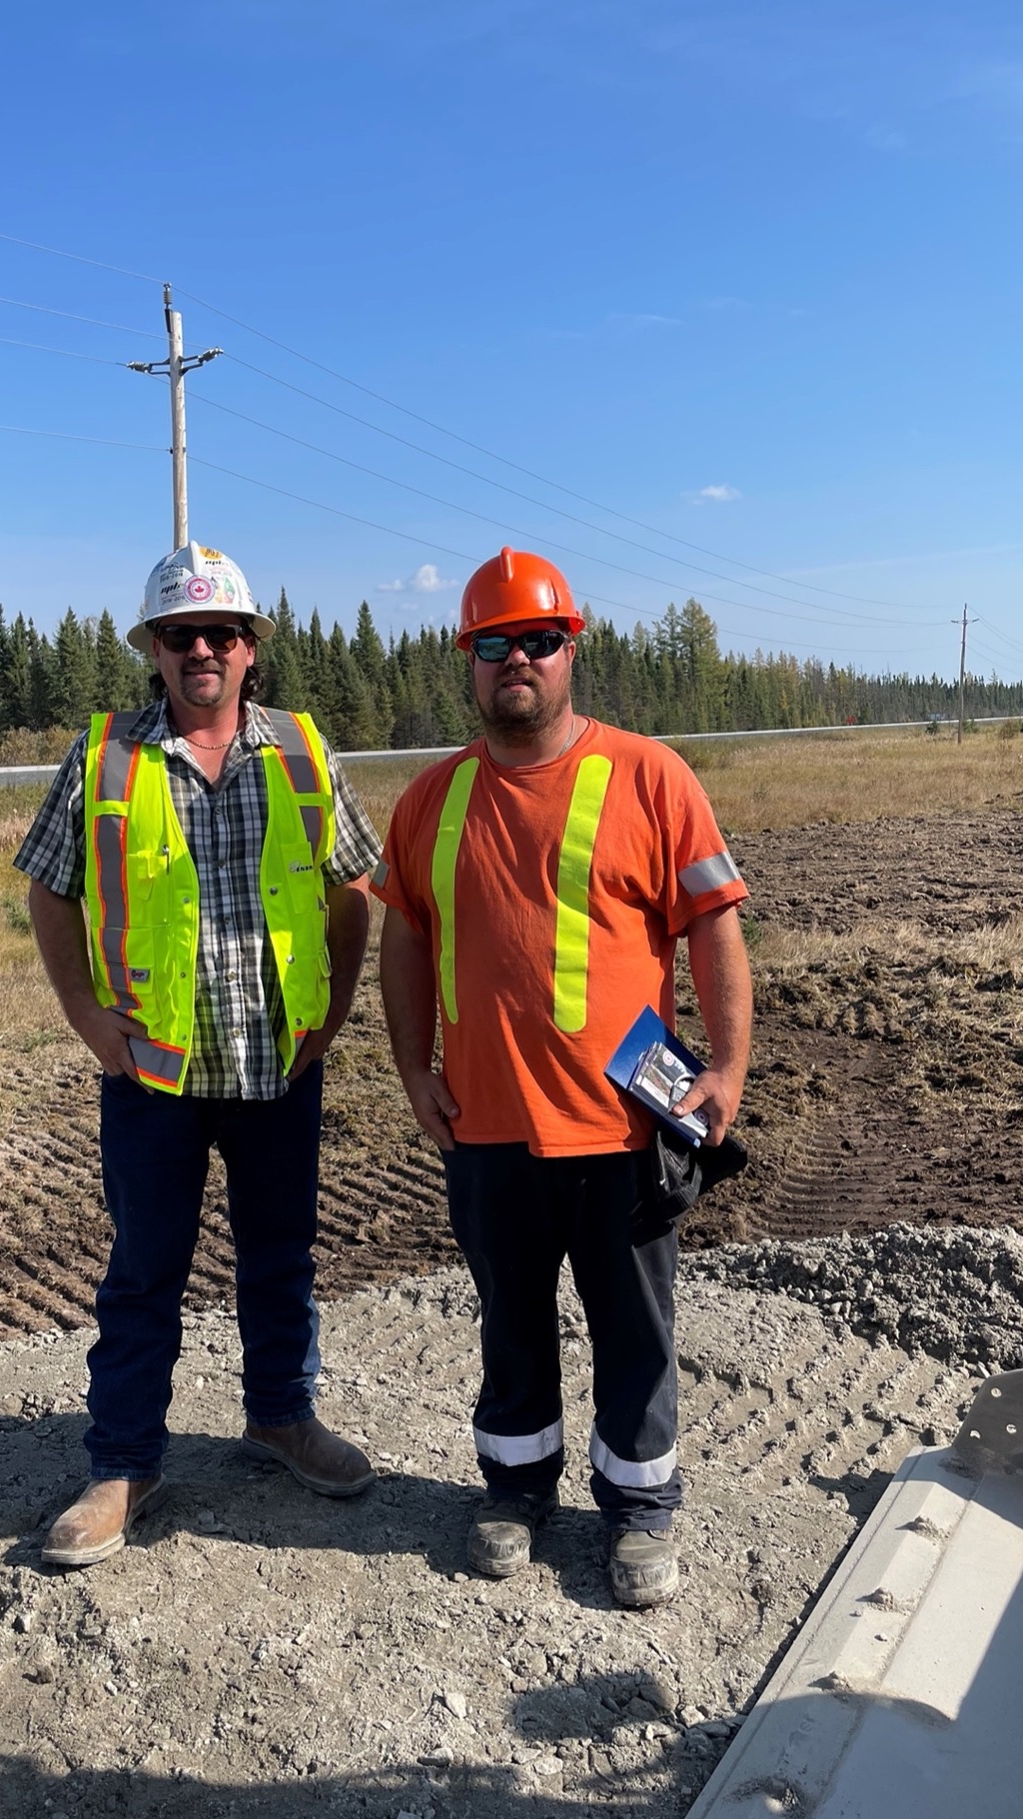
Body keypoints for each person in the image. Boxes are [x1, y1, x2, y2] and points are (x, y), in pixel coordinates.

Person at [373, 548, 752, 1608]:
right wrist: (411, 1067)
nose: (517, 661)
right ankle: (515, 1486)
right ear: (468, 659)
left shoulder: (649, 776)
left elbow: (713, 923)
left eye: (537, 641)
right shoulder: (431, 800)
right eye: (493, 644)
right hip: (485, 1124)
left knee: (634, 1329)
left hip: (621, 1127)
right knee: (509, 1322)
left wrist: (726, 1067)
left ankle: (638, 1504)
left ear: (569, 648)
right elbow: (404, 935)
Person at [15, 542, 383, 1569]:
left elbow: (353, 882)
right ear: (155, 650)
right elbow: (49, 889)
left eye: (221, 632)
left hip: (276, 1065)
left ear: (250, 647)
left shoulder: (302, 751)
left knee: (281, 1258)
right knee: (144, 1272)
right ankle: (123, 1464)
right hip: (154, 1075)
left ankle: (281, 1416)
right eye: (181, 634)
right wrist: (88, 1018)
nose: (202, 650)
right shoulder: (103, 759)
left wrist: (332, 1010)